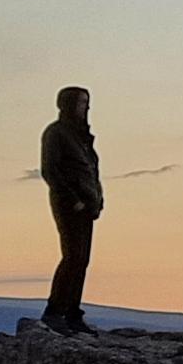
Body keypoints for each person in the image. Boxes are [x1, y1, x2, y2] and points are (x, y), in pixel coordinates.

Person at [39, 85, 102, 335]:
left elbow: (91, 171)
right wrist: (73, 199)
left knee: (82, 260)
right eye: (80, 102)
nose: (85, 107)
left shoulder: (82, 137)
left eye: (87, 102)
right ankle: (54, 312)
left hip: (87, 206)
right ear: (66, 104)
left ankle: (73, 313)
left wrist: (98, 199)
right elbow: (50, 171)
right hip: (69, 205)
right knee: (72, 257)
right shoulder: (56, 133)